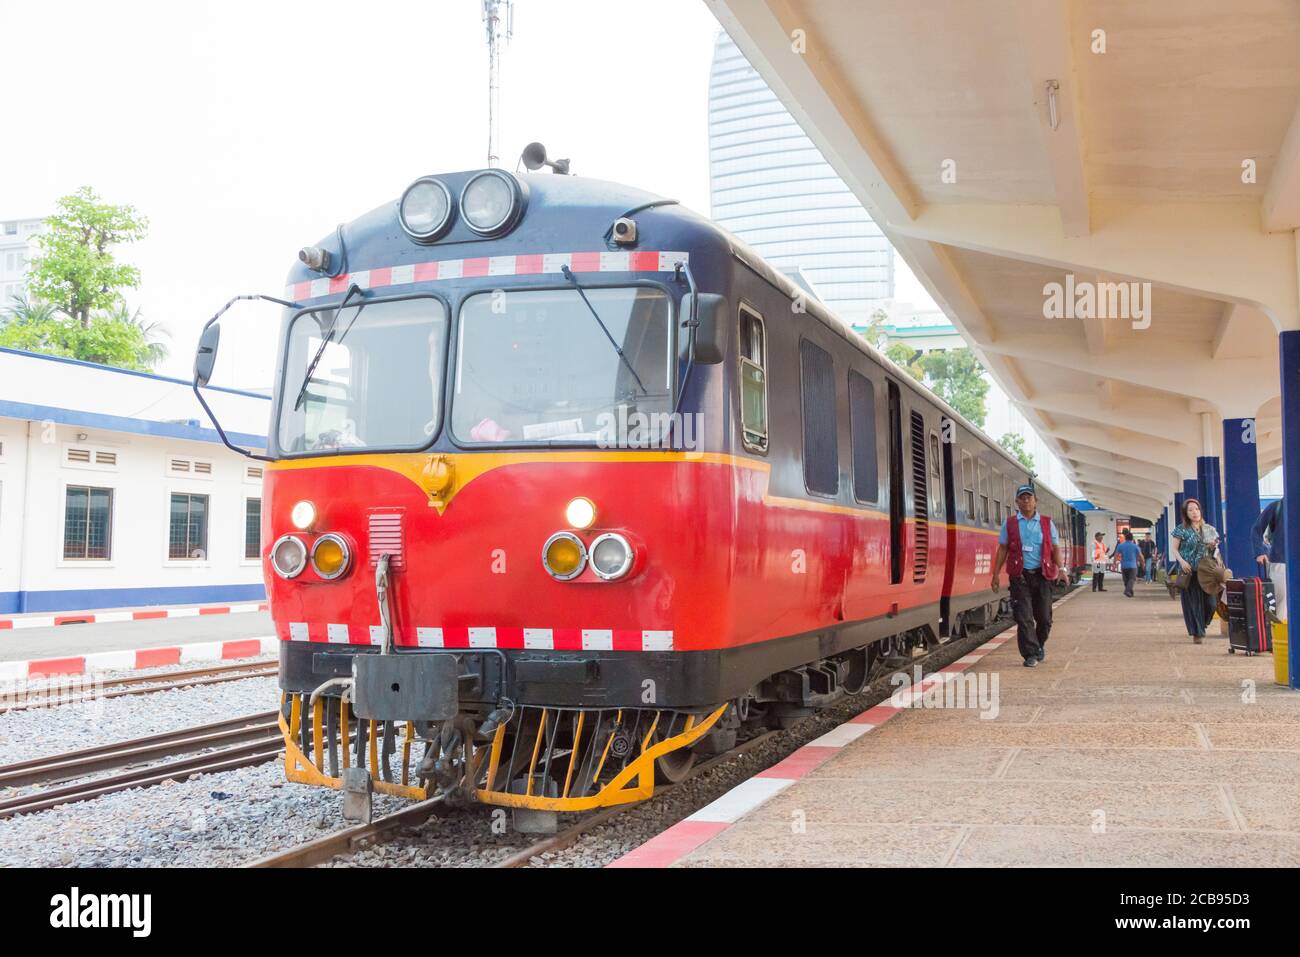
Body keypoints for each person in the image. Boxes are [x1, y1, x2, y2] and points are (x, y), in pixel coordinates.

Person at [991, 484, 1069, 667]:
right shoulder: (1009, 524)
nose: (1026, 500)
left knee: (1044, 618)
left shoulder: (1046, 523)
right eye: (1022, 498)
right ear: (1017, 502)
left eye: (1029, 497)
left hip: (1043, 576)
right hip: (1020, 577)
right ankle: (1030, 654)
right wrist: (995, 574)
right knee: (1024, 617)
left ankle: (1039, 644)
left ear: (1035, 501)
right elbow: (1002, 549)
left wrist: (1062, 570)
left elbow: (1055, 548)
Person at [1172, 498, 1220, 643]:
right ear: (1186, 513)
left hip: (1206, 571)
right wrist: (1182, 561)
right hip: (1189, 571)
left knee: (1211, 603)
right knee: (1194, 603)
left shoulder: (1209, 529)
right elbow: (1174, 549)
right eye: (1190, 510)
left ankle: (1202, 625)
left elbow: (1215, 549)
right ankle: (1197, 632)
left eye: (1196, 509)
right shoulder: (1181, 529)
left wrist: (1212, 546)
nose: (1194, 512)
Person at [1251, 497, 1287, 635]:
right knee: (1280, 603)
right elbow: (1256, 529)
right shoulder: (1277, 506)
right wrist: (1259, 552)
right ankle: (1279, 639)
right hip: (1280, 562)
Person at [1115, 529, 1142, 597]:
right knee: (1132, 579)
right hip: (1133, 566)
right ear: (1132, 538)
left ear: (1125, 538)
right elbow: (1141, 556)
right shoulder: (1135, 546)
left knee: (1126, 580)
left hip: (1124, 566)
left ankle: (1130, 593)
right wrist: (1143, 563)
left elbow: (1116, 555)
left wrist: (1114, 563)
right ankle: (1127, 591)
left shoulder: (1120, 545)